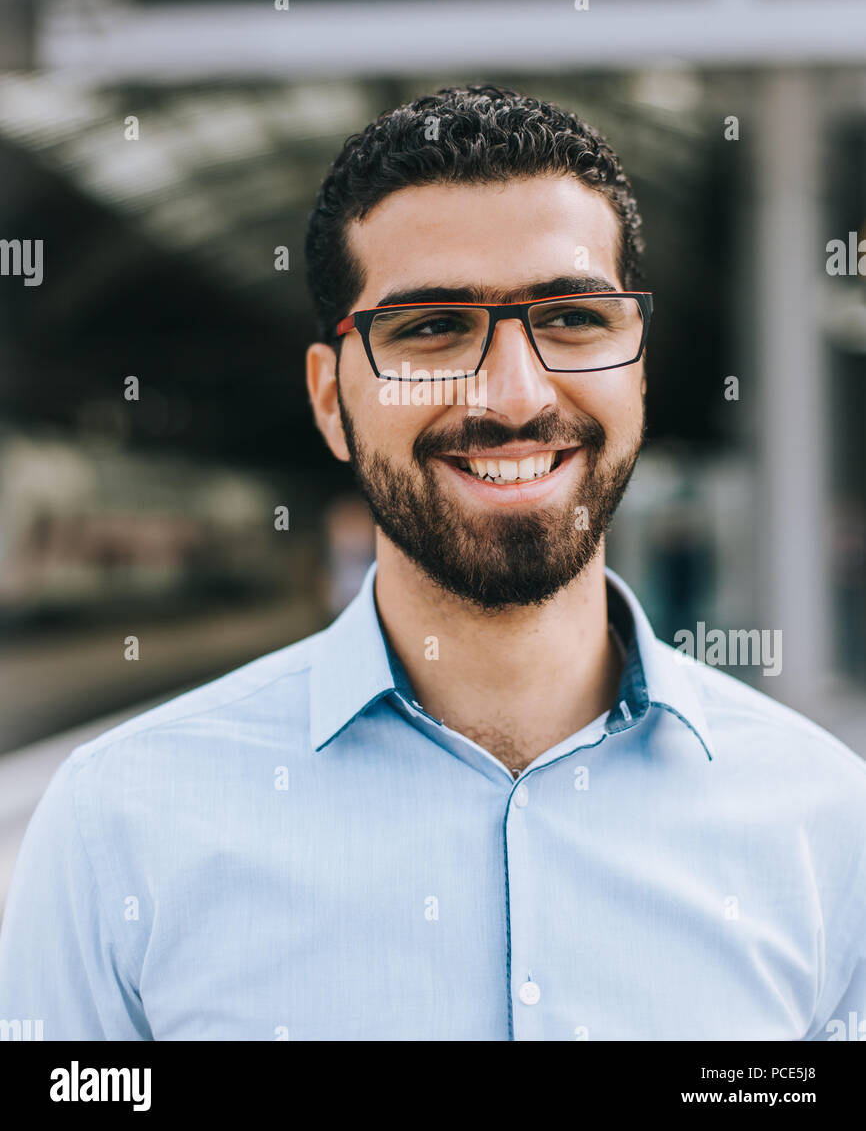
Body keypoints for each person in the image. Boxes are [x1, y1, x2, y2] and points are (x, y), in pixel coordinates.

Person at [1, 84, 864, 1041]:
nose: (513, 394)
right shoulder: (117, 825)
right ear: (332, 401)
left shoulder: (828, 825)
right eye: (430, 328)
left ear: (640, 366)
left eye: (575, 317)